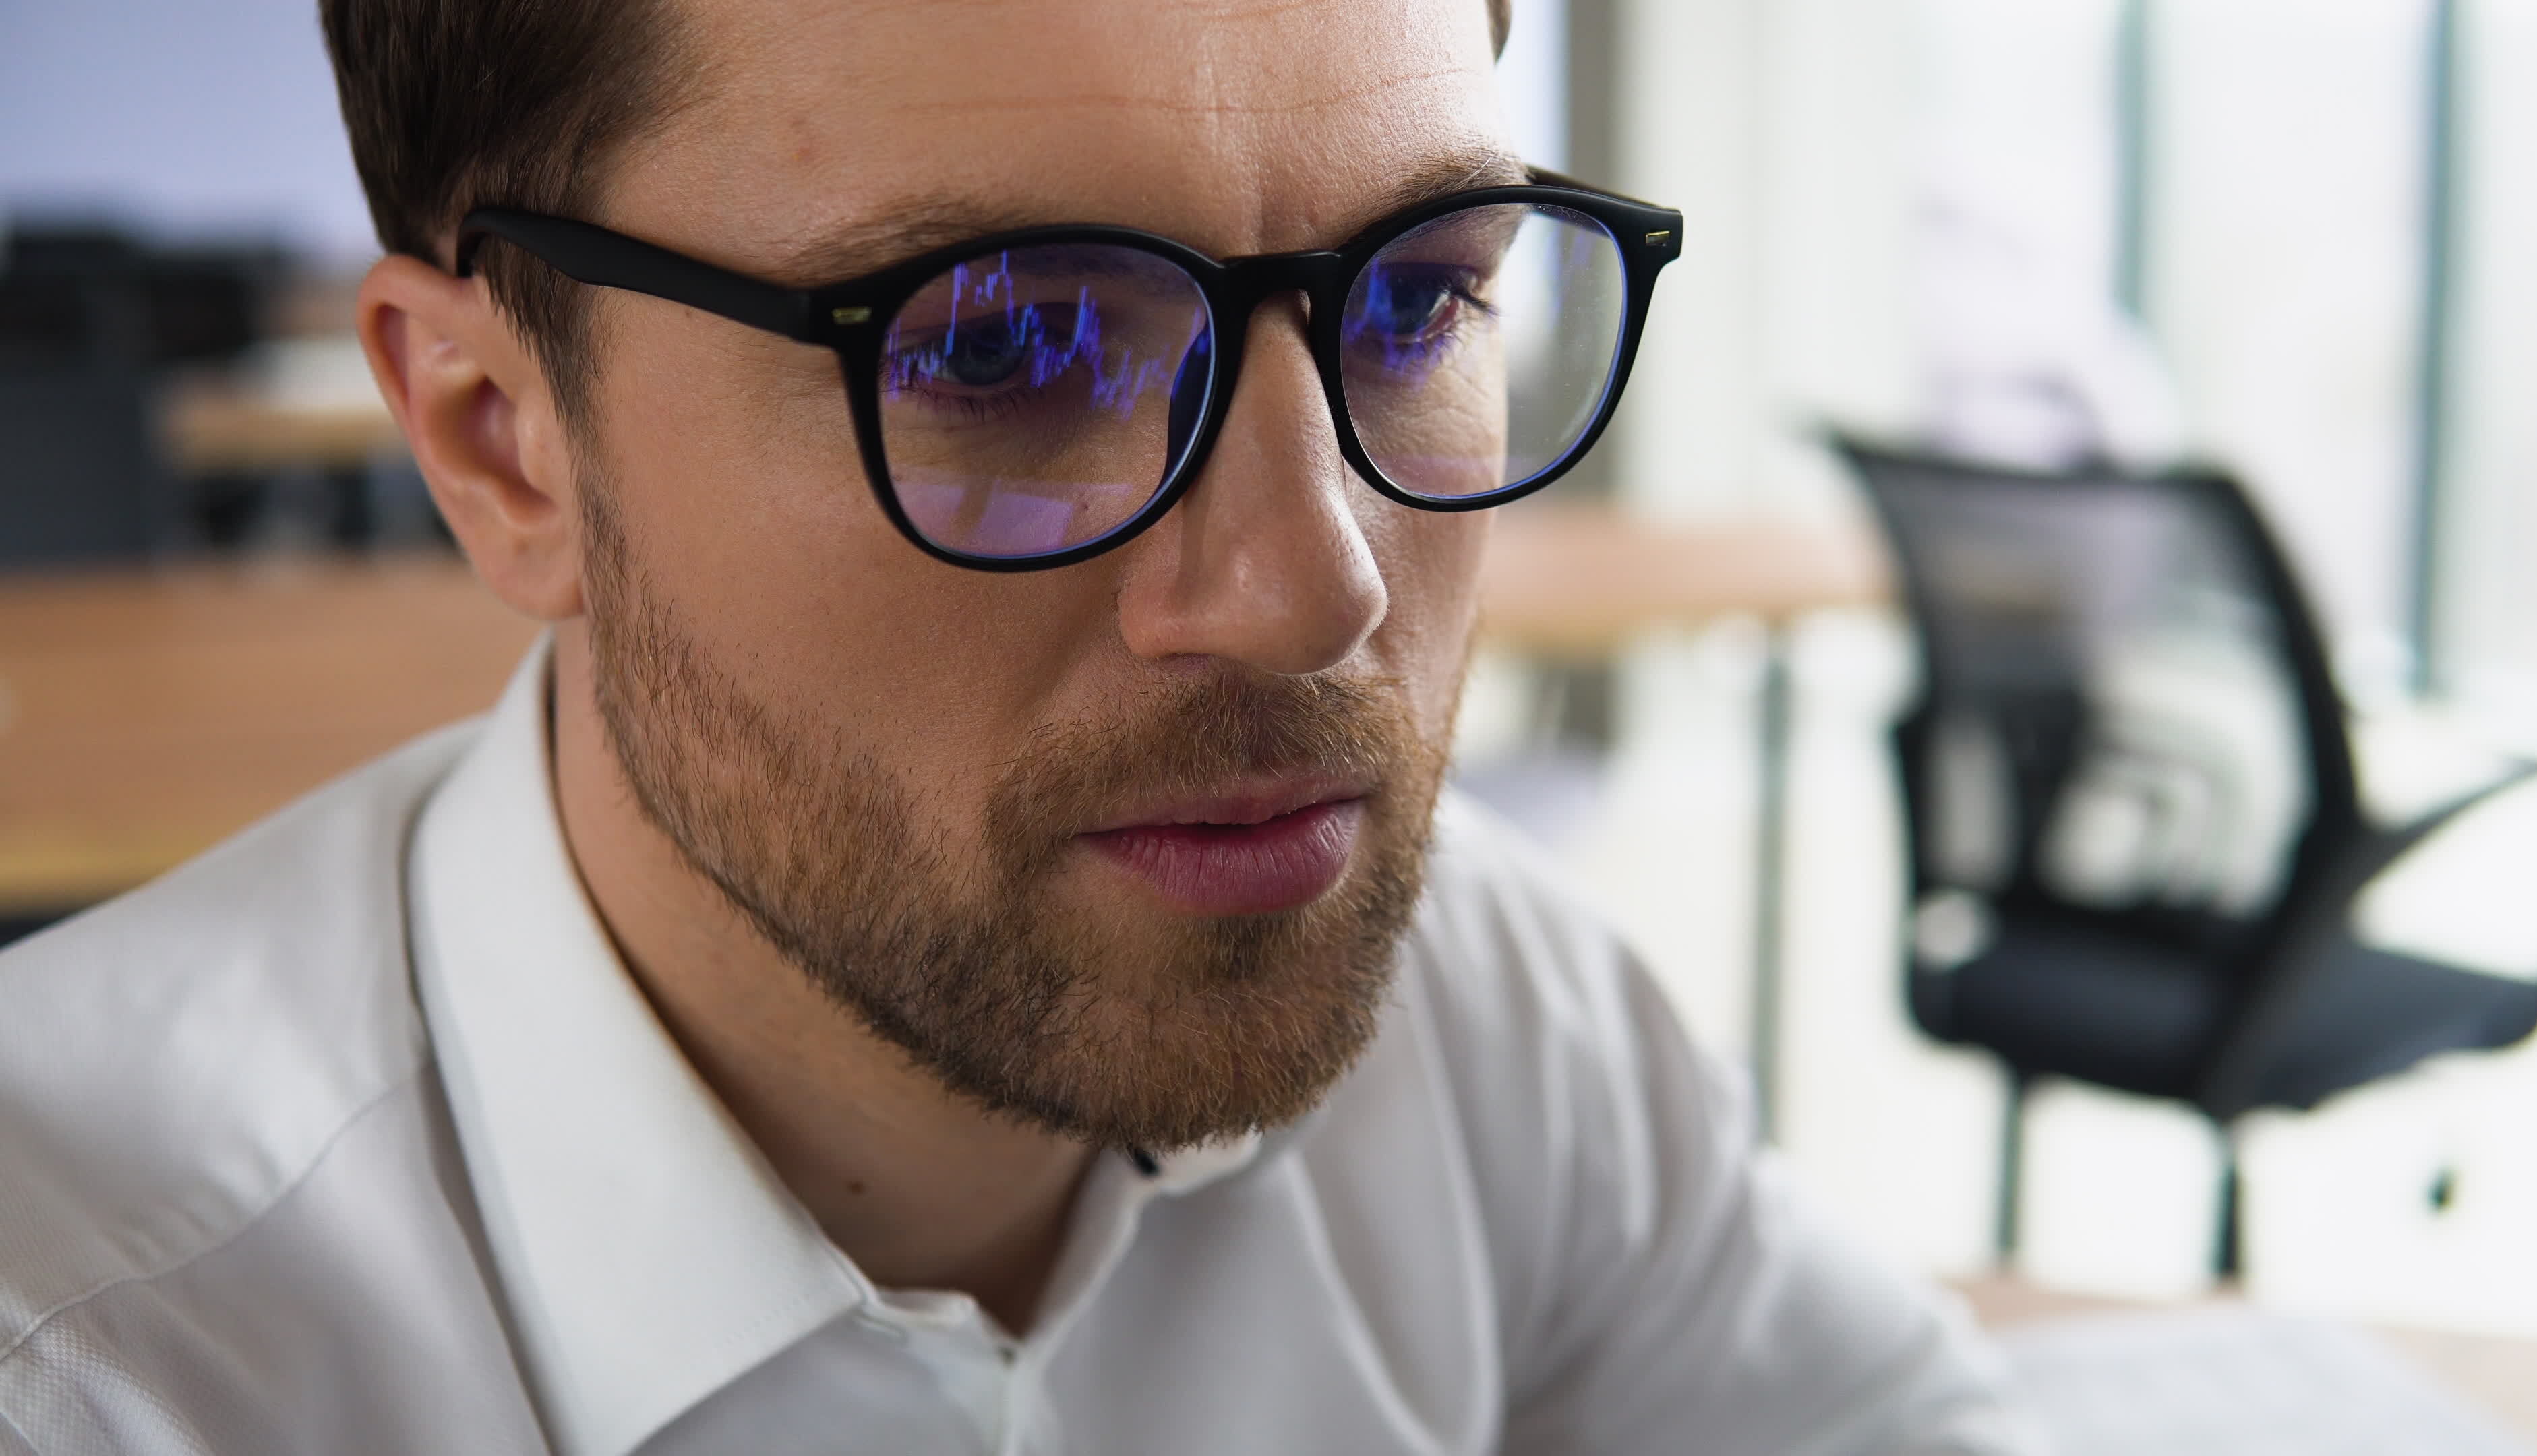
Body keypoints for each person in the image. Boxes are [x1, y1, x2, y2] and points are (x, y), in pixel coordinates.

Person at [0, 1, 2043, 1451]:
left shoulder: (1498, 1021)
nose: (1311, 586)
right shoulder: (92, 1361)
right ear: (504, 442)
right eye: (1008, 344)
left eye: (1419, 300)